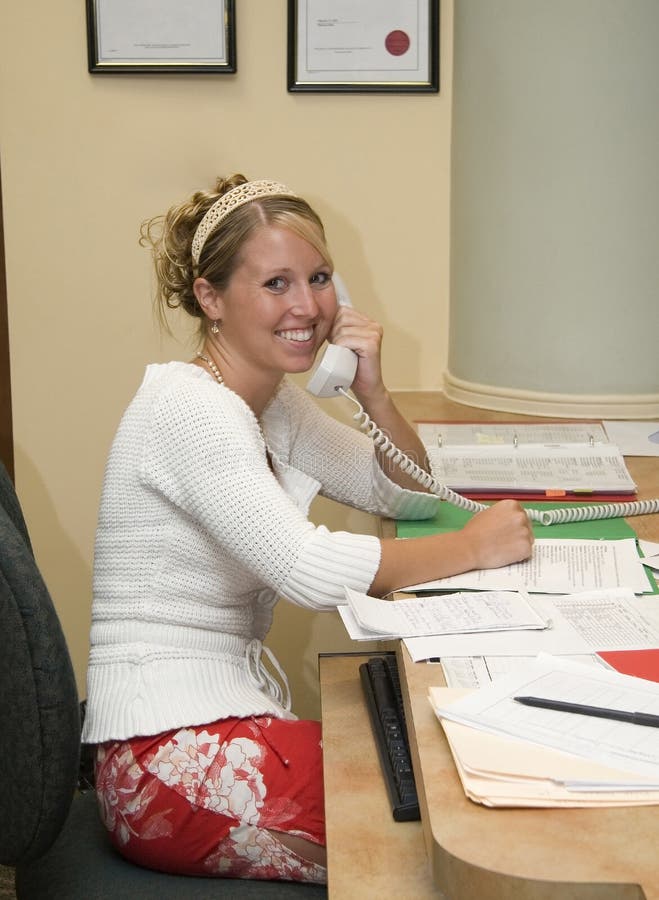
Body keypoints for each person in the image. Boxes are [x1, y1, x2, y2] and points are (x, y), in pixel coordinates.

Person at [81, 174, 534, 884]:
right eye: (276, 284)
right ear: (210, 298)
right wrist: (474, 547)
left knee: (426, 782)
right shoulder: (189, 408)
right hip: (161, 761)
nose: (307, 307)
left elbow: (408, 495)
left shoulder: (271, 403)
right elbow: (308, 571)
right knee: (430, 837)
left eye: (319, 279)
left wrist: (372, 390)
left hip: (208, 729)